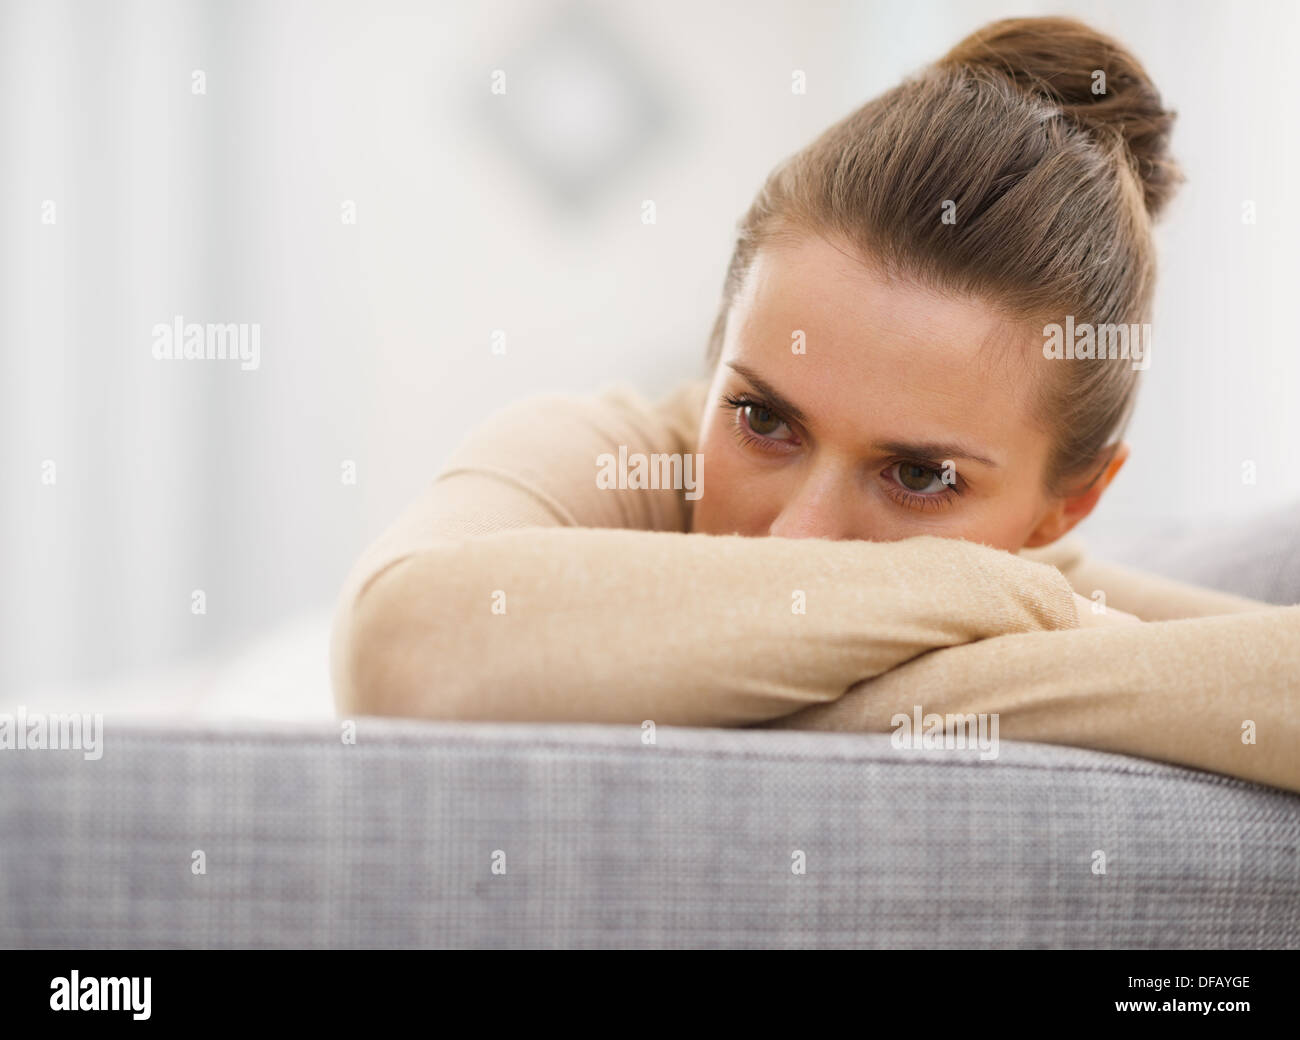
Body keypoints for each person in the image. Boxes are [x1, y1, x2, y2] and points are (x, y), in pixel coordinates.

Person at [329, 16, 1300, 793]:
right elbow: (401, 656)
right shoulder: (607, 450)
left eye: (917, 477)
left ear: (1065, 507)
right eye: (760, 418)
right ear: (717, 358)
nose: (796, 539)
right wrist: (997, 601)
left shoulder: (1042, 568)